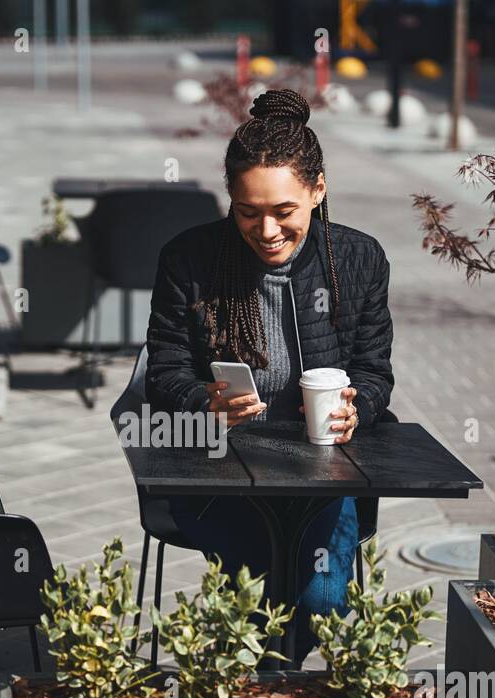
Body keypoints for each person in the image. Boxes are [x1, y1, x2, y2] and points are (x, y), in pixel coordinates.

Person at [145, 88, 395, 665]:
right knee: (253, 604)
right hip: (225, 469)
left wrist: (360, 407)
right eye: (247, 211)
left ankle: (275, 692)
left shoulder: (359, 260)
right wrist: (201, 403)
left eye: (284, 212)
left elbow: (374, 372)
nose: (266, 230)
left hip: (324, 469)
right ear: (230, 199)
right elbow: (164, 370)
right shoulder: (191, 258)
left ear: (318, 190)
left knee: (321, 602)